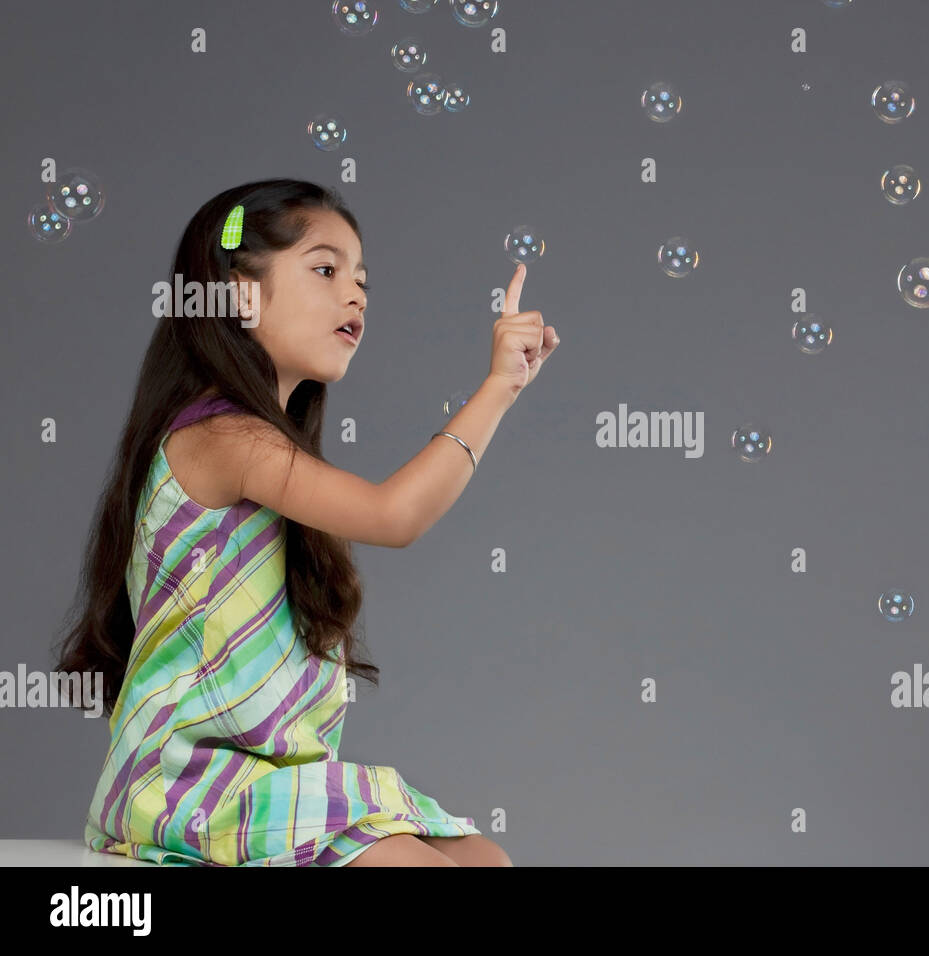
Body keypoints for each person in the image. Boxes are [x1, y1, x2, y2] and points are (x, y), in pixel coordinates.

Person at [50, 179, 559, 866]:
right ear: (239, 291)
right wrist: (497, 387)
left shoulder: (265, 446)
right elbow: (393, 515)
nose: (356, 296)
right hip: (186, 782)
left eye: (363, 281)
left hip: (270, 776)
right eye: (325, 269)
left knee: (484, 859)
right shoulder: (221, 438)